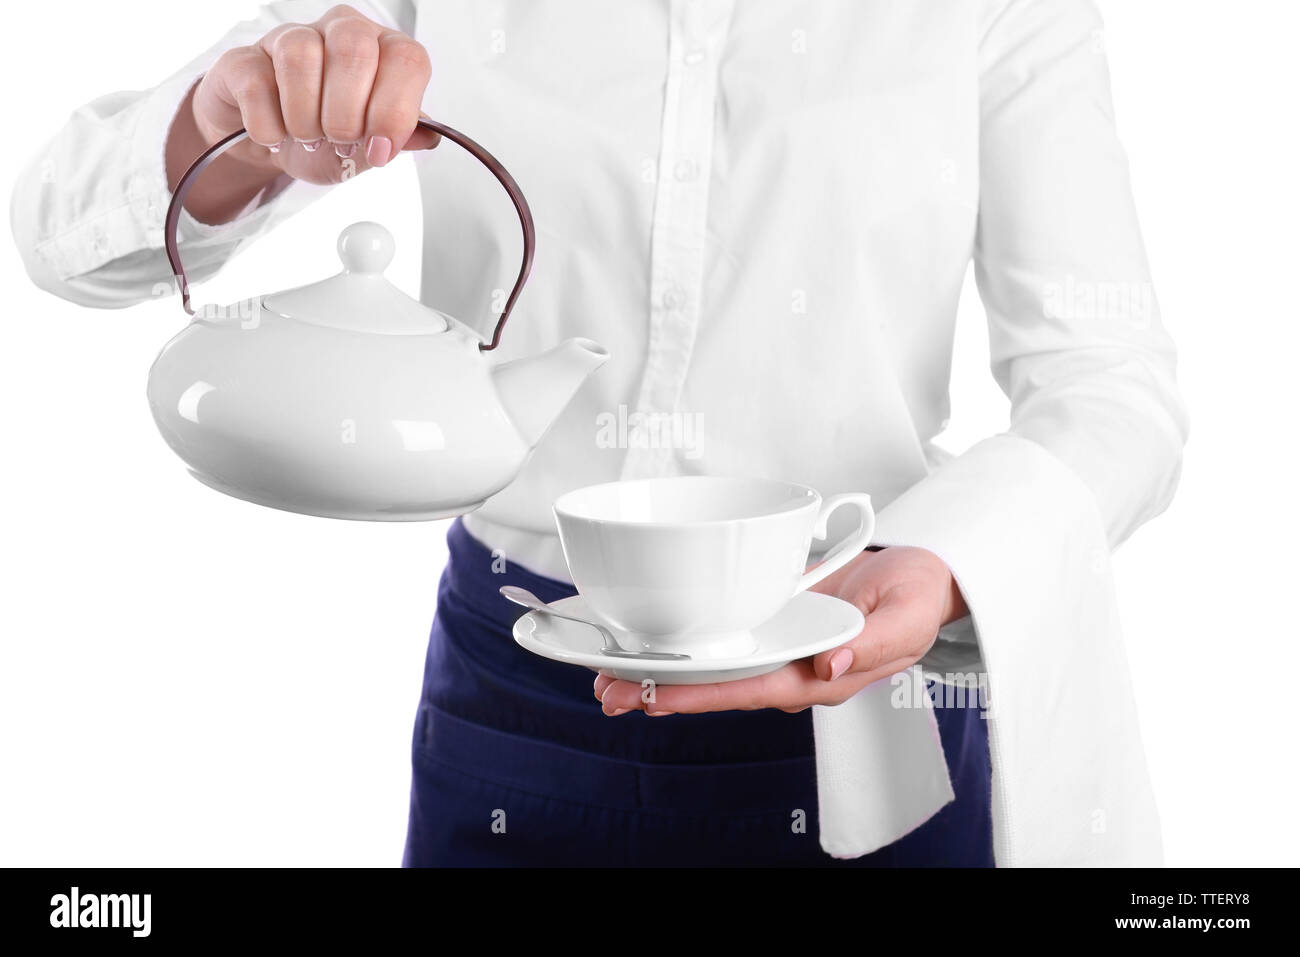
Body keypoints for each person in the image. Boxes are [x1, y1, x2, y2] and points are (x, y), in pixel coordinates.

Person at [12, 0, 1187, 866]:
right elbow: (63, 234)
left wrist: (940, 565)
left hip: (862, 715)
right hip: (512, 698)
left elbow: (1110, 386)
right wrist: (231, 129)